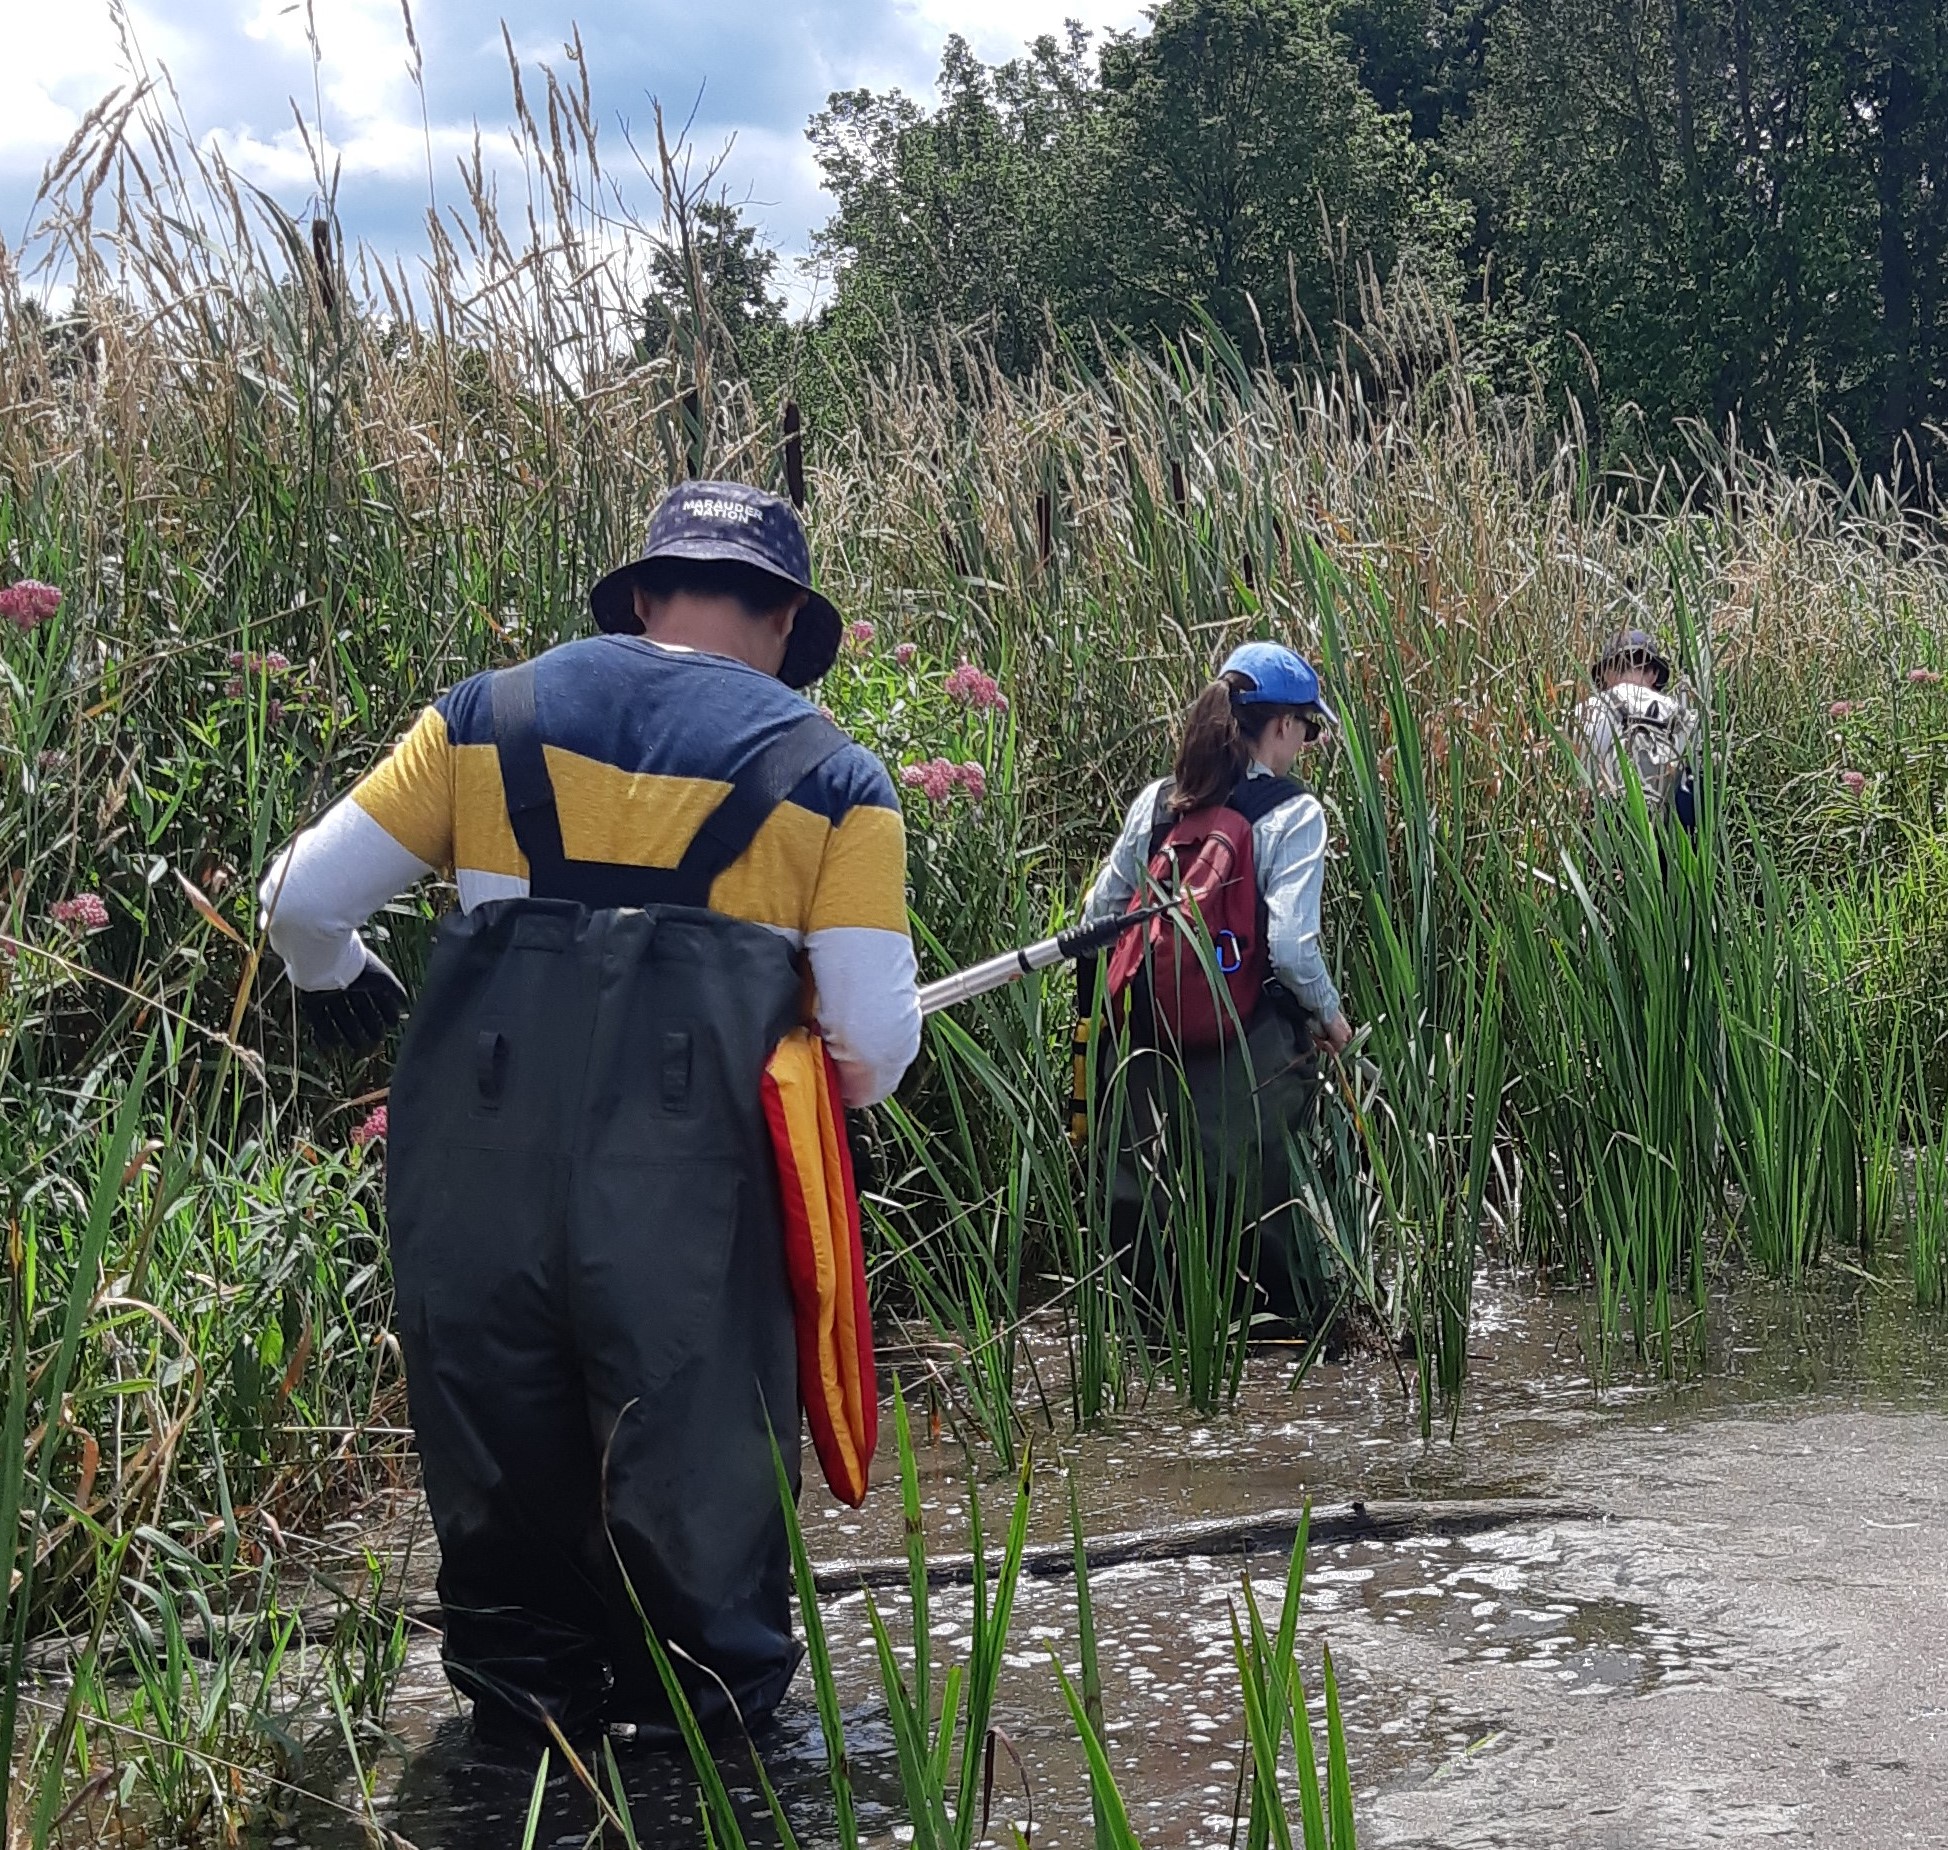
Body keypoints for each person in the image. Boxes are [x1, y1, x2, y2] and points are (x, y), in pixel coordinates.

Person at [259, 481, 921, 1753]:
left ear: (634, 599)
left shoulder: (483, 718)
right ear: (782, 618)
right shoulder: (834, 777)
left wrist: (338, 978)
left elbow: (299, 899)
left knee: (502, 1474)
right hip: (691, 1204)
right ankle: (697, 1755)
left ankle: (519, 1746)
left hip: (473, 1180)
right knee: (697, 1494)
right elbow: (875, 1046)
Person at [1078, 641, 1350, 1335]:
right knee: (1262, 1245)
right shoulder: (1294, 815)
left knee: (1145, 1245)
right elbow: (1290, 947)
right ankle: (1280, 1391)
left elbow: (1097, 918)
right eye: (1307, 729)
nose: (1306, 744)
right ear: (1282, 725)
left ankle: (1154, 1390)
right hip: (1247, 1056)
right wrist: (1330, 1017)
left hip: (1144, 1052)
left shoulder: (1156, 805)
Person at [1573, 628, 1701, 832]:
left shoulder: (1585, 711)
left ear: (1606, 673)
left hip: (1604, 839)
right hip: (1666, 844)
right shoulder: (1681, 715)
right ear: (1653, 673)